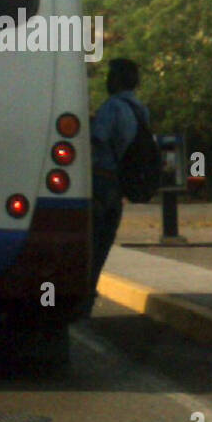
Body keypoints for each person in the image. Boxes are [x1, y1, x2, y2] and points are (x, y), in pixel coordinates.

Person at [89, 58, 149, 294]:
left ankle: (84, 301)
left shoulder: (111, 107)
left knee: (91, 246)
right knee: (103, 246)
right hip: (120, 184)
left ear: (116, 80)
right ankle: (90, 296)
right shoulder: (141, 110)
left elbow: (97, 140)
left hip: (100, 181)